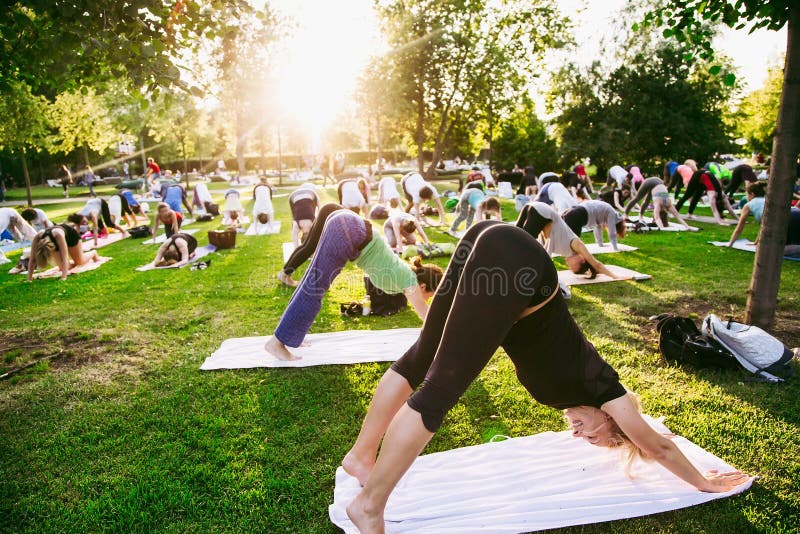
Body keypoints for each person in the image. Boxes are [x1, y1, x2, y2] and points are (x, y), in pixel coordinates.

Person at [342, 220, 748, 532]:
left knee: (421, 359)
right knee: (439, 390)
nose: (579, 435)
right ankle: (370, 506)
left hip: (499, 248)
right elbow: (658, 447)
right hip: (519, 264)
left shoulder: (569, 398)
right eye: (595, 436)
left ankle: (361, 456)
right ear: (614, 422)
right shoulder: (606, 389)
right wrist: (702, 481)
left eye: (584, 440)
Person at [263, 210, 444, 361]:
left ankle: (292, 334)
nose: (427, 299)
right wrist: (448, 342)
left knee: (311, 285)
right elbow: (428, 319)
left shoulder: (406, 275)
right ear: (423, 286)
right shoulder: (409, 282)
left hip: (349, 227)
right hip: (349, 231)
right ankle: (277, 342)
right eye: (431, 295)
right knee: (314, 289)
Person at [518, 202, 618, 279]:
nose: (568, 265)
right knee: (522, 245)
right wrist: (614, 276)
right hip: (542, 212)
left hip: (533, 207)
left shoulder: (565, 251)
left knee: (514, 237)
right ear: (581, 259)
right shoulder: (576, 244)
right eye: (573, 266)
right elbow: (596, 264)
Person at [278, 203, 345, 287]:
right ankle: (285, 274)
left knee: (307, 245)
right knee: (310, 247)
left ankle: (284, 273)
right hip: (330, 210)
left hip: (329, 209)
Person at [727, 181, 800, 256]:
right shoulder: (768, 199)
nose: (746, 197)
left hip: (787, 218)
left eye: (746, 194)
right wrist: (756, 242)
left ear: (752, 194)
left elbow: (739, 228)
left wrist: (730, 244)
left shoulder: (748, 205)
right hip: (796, 213)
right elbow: (763, 226)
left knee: (776, 250)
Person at [27, 223, 100, 281]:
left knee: (79, 262)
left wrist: (63, 277)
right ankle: (71, 264)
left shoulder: (58, 235)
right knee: (63, 268)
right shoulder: (38, 237)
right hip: (53, 241)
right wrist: (29, 279)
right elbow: (32, 259)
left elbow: (64, 257)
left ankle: (93, 253)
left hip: (72, 237)